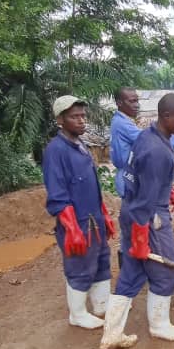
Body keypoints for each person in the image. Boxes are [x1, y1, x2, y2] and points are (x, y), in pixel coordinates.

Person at [101, 93, 174, 349]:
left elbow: (144, 178)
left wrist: (167, 190)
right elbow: (146, 199)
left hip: (131, 211)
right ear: (166, 116)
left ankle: (112, 333)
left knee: (132, 272)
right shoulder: (157, 151)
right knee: (167, 274)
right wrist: (141, 237)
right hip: (149, 217)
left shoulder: (148, 136)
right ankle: (159, 326)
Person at [42, 96, 117, 329]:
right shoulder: (56, 151)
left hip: (94, 219)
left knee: (101, 261)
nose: (82, 120)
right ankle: (77, 314)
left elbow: (92, 186)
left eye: (83, 116)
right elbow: (58, 195)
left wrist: (104, 214)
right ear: (60, 120)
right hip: (77, 222)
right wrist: (72, 229)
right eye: (75, 117)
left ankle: (102, 305)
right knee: (80, 267)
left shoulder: (81, 145)